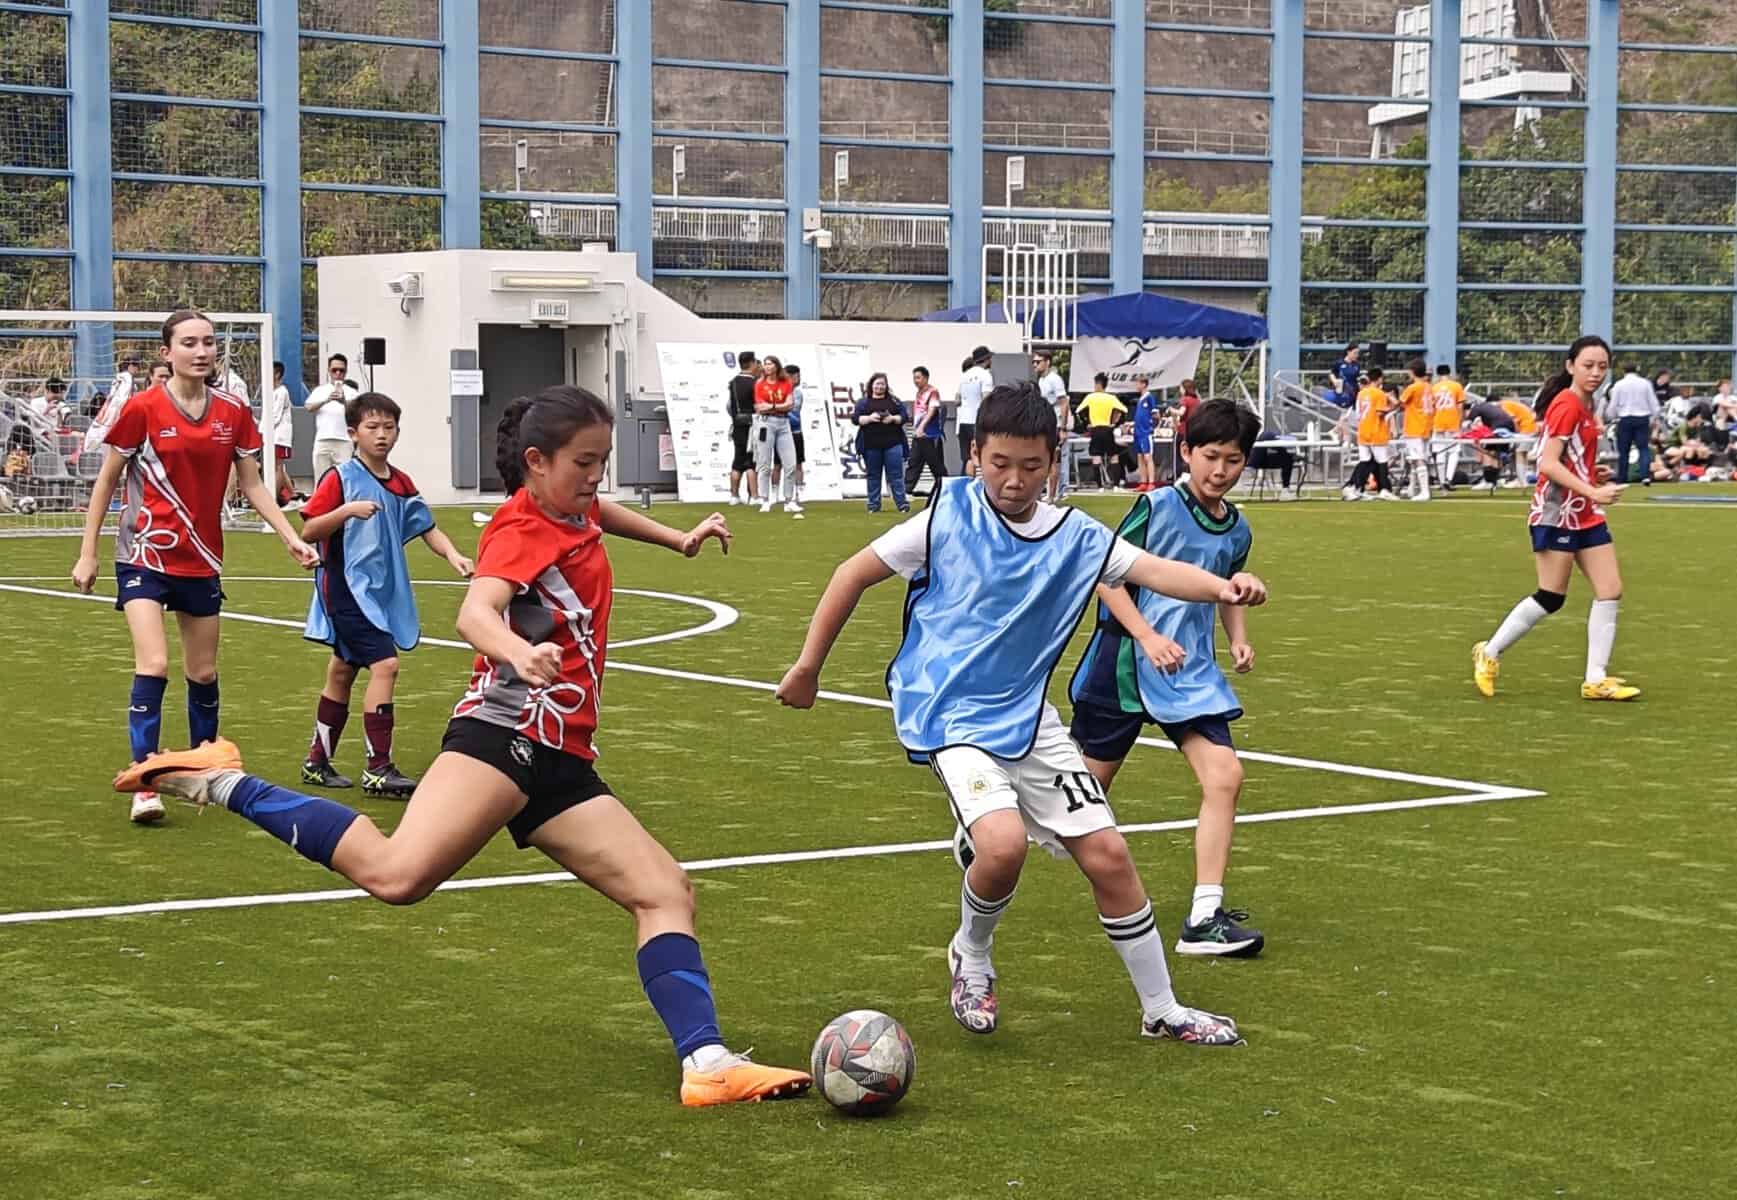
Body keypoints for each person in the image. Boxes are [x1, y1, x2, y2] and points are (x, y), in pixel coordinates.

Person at [112, 384, 813, 1108]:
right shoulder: (519, 530)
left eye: (602, 462)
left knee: (664, 891)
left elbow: (597, 512)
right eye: (584, 463)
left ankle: (706, 1063)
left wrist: (676, 538)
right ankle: (224, 778)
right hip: (503, 735)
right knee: (395, 876)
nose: (596, 478)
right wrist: (517, 647)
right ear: (537, 463)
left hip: (561, 753)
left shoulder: (567, 507)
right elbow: (475, 612)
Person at [775, 381, 1264, 1048]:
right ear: (974, 455)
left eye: (1030, 466)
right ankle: (970, 955)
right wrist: (808, 668)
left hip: (1026, 718)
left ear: (1053, 462)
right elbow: (850, 574)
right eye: (998, 463)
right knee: (1002, 846)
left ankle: (1162, 1010)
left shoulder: (1076, 536)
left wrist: (1223, 586)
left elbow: (1151, 570)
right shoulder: (943, 515)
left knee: (1109, 855)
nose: (1012, 480)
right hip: (945, 712)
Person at [71, 309, 318, 825]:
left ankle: (206, 768)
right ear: (168, 353)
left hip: (202, 559)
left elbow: (252, 485)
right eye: (189, 343)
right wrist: (88, 551)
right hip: (143, 554)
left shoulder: (233, 412)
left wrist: (290, 535)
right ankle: (145, 780)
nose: (201, 351)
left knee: (202, 672)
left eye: (207, 342)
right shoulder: (141, 409)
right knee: (154, 664)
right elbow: (106, 482)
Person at [1068, 399, 1266, 957]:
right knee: (1078, 797)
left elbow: (1222, 584)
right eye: (1210, 457)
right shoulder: (1154, 508)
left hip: (1190, 673)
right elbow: (1106, 578)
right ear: (1185, 452)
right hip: (1126, 664)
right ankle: (992, 828)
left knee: (1225, 777)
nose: (1220, 470)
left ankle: (1205, 916)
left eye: (1232, 460)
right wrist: (1147, 637)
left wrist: (1237, 636)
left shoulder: (1238, 528)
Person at [298, 390, 475, 797]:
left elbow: (426, 525)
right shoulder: (340, 478)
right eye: (372, 427)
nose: (381, 435)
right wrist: (346, 511)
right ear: (353, 433)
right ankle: (379, 768)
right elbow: (309, 529)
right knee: (385, 665)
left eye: (389, 427)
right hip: (346, 587)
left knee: (343, 671)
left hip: (377, 592)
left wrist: (454, 556)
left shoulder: (400, 481)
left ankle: (317, 762)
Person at [1473, 335, 1638, 703]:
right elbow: (1546, 463)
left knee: (1610, 589)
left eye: (1601, 366)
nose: (1596, 373)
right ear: (1570, 367)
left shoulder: (1587, 402)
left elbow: (1569, 460)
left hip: (1585, 512)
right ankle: (1490, 652)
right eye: (1588, 366)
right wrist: (1593, 490)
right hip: (1556, 512)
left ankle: (1596, 679)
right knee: (1551, 596)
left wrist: (1594, 474)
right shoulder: (1566, 404)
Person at [752, 354, 801, 516]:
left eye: (770, 364)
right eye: (765, 364)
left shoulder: (785, 382)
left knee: (791, 463)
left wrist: (772, 405)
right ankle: (765, 499)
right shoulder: (760, 384)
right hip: (766, 423)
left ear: (776, 366)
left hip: (783, 423)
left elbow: (789, 404)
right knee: (764, 464)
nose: (767, 367)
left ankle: (788, 500)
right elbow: (760, 407)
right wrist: (778, 406)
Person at [854, 371, 909, 513]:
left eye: (882, 384)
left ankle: (902, 504)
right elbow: (855, 419)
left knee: (896, 475)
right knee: (873, 475)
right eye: (877, 384)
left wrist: (892, 419)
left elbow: (904, 416)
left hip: (893, 443)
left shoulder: (894, 401)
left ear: (886, 386)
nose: (880, 387)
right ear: (871, 385)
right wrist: (869, 418)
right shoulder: (863, 402)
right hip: (870, 445)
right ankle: (873, 505)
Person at [1341, 368, 1399, 501]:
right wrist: (1391, 407)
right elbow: (1379, 413)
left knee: (1365, 461)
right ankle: (1383, 489)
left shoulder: (1362, 393)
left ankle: (1356, 487)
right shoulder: (1379, 394)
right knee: (1382, 461)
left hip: (1363, 430)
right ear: (1379, 379)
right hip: (1376, 431)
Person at [1604, 363, 1658, 486]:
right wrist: (1654, 417)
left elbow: (1613, 404)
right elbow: (1653, 402)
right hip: (1642, 418)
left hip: (1625, 418)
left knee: (1624, 450)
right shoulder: (1645, 383)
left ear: (1624, 371)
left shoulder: (1619, 385)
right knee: (1643, 448)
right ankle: (1645, 476)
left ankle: (1622, 477)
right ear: (1637, 370)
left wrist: (1611, 416)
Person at [307, 354, 356, 482]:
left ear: (346, 371)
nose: (338, 374)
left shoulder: (351, 391)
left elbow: (357, 411)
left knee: (345, 479)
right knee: (321, 478)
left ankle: (344, 502)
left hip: (344, 440)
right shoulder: (320, 390)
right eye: (334, 370)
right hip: (323, 439)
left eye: (341, 370)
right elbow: (309, 407)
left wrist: (343, 401)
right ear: (329, 371)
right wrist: (327, 399)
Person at [1076, 372, 1127, 489]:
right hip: (1107, 429)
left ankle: (1099, 487)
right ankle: (1115, 485)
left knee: (1096, 457)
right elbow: (1124, 410)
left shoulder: (1090, 397)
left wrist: (1086, 424)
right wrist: (1115, 424)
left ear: (1097, 384)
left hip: (1096, 429)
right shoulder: (1111, 398)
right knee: (1113, 456)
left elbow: (1078, 411)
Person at [905, 365, 947, 497]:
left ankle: (945, 489)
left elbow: (932, 410)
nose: (916, 380)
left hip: (930, 434)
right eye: (914, 378)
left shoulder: (933, 392)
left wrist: (922, 427)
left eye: (918, 377)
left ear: (926, 378)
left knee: (936, 465)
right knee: (914, 462)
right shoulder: (919, 393)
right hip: (919, 434)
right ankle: (907, 490)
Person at [1036, 351, 1071, 501]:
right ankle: (1048, 493)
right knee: (1044, 458)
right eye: (1034, 362)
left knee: (1053, 459)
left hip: (1055, 424)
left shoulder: (1054, 379)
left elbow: (1064, 402)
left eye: (1038, 362)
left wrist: (1063, 428)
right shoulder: (1041, 380)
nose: (1035, 365)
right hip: (1045, 423)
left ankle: (1052, 496)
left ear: (1047, 362)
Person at [1397, 358, 1434, 501]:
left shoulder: (1413, 387)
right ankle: (1412, 489)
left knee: (1418, 459)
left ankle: (1425, 492)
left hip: (1414, 426)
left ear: (1412, 372)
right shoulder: (1428, 386)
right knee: (1415, 458)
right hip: (1425, 425)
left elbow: (1401, 403)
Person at [725, 350, 759, 507]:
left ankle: (734, 495)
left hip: (737, 424)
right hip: (751, 424)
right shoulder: (755, 383)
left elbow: (729, 406)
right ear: (752, 363)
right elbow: (757, 406)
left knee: (737, 460)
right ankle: (754, 496)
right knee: (752, 461)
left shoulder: (732, 382)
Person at [86, 356, 140, 452]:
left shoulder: (118, 377)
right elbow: (123, 399)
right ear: (130, 365)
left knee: (102, 436)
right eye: (137, 365)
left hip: (108, 411)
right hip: (117, 414)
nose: (138, 369)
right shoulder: (127, 378)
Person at [956, 345, 993, 478]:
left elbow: (957, 400)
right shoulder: (986, 376)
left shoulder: (965, 375)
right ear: (986, 359)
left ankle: (965, 488)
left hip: (963, 422)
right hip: (977, 421)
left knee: (968, 458)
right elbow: (986, 401)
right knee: (982, 456)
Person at [268, 360, 298, 508]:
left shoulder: (282, 391)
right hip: (272, 434)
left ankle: (272, 499)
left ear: (277, 374)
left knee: (278, 466)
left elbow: (276, 415)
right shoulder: (272, 391)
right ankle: (293, 496)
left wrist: (264, 430)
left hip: (279, 435)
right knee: (279, 466)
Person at [1431, 364, 1465, 490]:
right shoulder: (1457, 386)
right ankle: (1448, 479)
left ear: (1438, 374)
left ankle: (1440, 480)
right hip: (1453, 423)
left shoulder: (1434, 388)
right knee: (1454, 451)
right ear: (1450, 373)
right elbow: (1460, 406)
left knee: (1440, 451)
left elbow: (1432, 407)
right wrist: (1460, 423)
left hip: (1438, 422)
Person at [779, 362, 808, 502]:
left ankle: (799, 493)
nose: (799, 378)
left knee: (798, 463)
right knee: (778, 464)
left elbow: (793, 409)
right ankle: (774, 495)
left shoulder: (797, 393)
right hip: (780, 432)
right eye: (797, 376)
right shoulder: (778, 390)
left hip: (795, 431)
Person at [1130, 376, 1158, 491]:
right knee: (1140, 457)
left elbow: (1156, 414)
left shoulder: (1149, 397)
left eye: (1138, 383)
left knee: (1148, 457)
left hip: (1146, 432)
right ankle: (1143, 481)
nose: (1136, 386)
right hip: (1138, 432)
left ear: (1144, 384)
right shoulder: (1140, 399)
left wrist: (1152, 426)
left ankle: (1151, 482)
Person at [1330, 343, 1361, 408]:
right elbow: (1332, 373)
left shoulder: (1357, 364)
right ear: (1348, 352)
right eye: (1355, 353)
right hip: (1342, 392)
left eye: (1357, 353)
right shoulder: (1339, 363)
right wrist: (1334, 381)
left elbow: (1357, 378)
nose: (1356, 355)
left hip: (1354, 392)